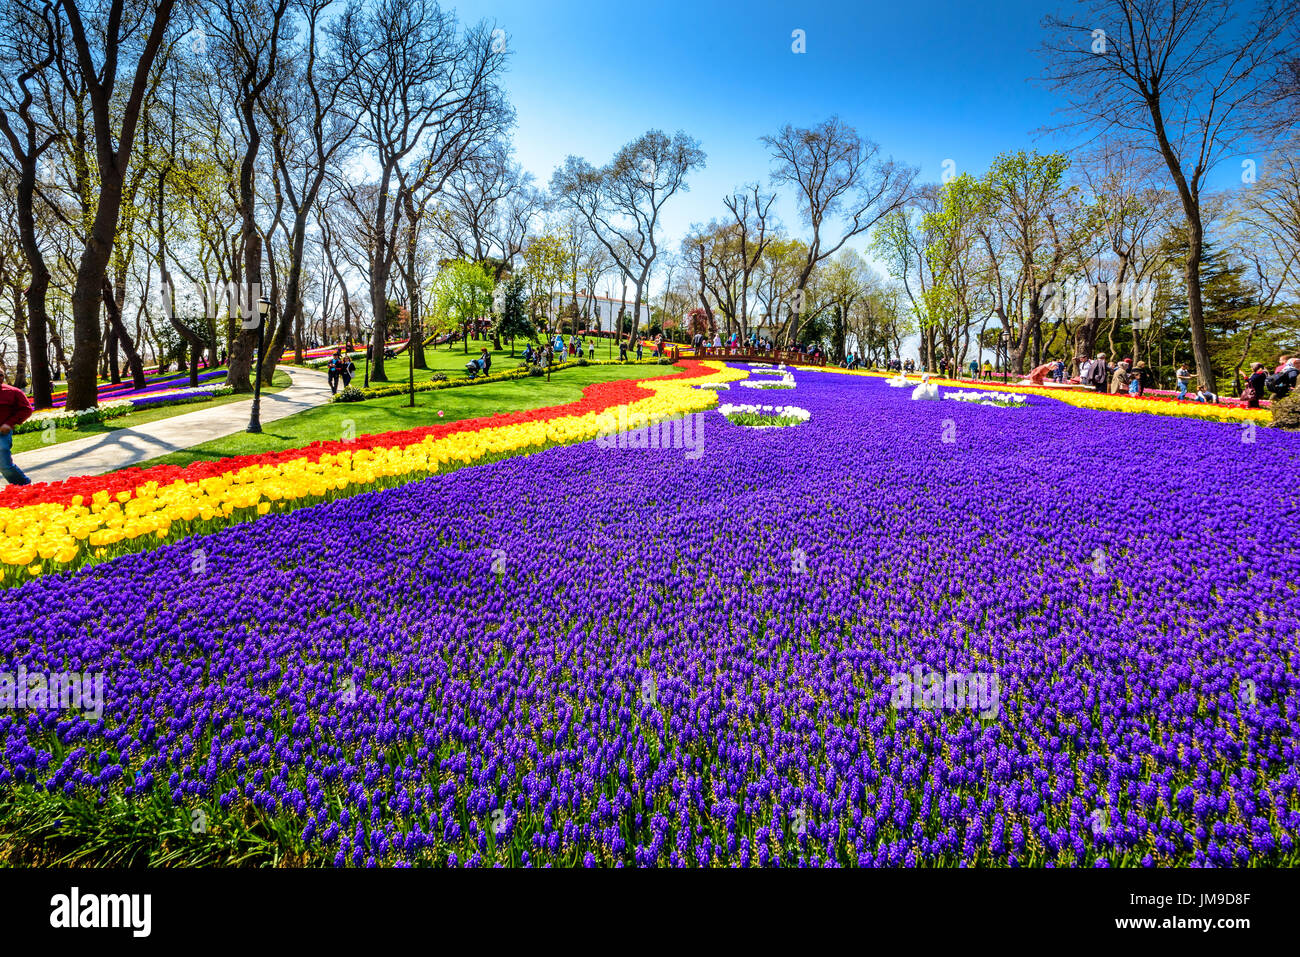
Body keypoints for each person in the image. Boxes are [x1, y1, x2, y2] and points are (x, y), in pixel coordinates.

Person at [0, 369, 33, 486]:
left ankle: (24, 485)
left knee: (4, 465)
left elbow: (26, 409)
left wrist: (9, 423)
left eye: (1, 375)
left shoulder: (14, 392)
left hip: (2, 433)